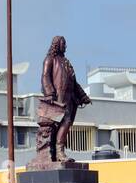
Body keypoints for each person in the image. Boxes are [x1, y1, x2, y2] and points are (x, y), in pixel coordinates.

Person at [32, 35, 92, 167]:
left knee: (66, 123)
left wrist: (83, 96)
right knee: (55, 126)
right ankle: (55, 153)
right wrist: (50, 93)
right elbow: (45, 76)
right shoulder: (50, 59)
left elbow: (74, 82)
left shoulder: (66, 62)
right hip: (57, 99)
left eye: (65, 44)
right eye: (63, 43)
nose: (65, 46)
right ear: (56, 44)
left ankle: (60, 152)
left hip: (69, 99)